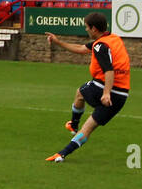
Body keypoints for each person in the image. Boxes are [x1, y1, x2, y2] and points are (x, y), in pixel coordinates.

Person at [44, 12, 130, 162]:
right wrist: (58, 42)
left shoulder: (100, 47)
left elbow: (108, 70)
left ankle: (74, 124)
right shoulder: (114, 39)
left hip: (104, 87)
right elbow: (81, 48)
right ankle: (62, 154)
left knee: (80, 92)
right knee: (89, 127)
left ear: (94, 28)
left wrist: (106, 93)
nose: (86, 30)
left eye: (87, 27)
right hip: (122, 96)